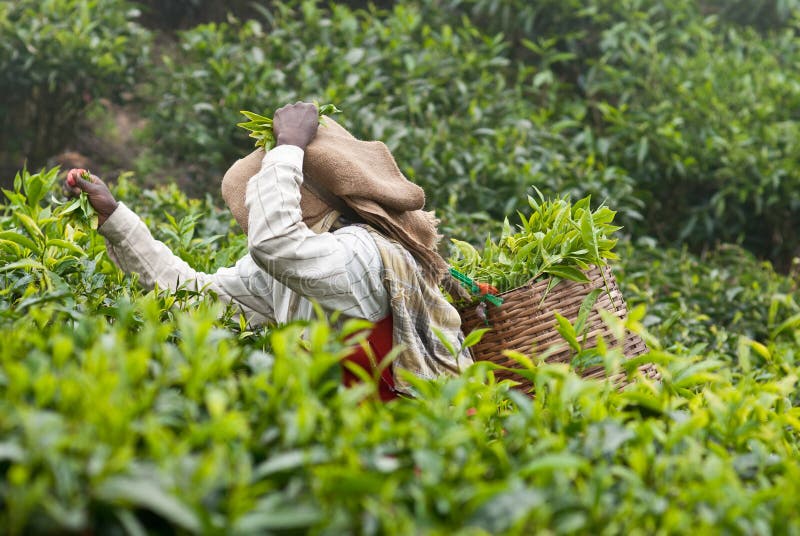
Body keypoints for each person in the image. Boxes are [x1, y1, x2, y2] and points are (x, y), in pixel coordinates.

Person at [65, 102, 472, 400]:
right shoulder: (295, 269)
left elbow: (275, 243)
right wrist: (116, 217)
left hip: (422, 447)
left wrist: (288, 147)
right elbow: (193, 295)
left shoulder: (360, 254)